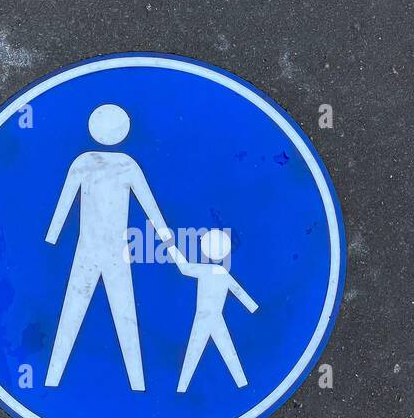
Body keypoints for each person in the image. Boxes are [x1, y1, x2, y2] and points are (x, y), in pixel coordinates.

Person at [44, 104, 171, 391]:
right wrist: (167, 241)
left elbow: (64, 206)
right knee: (120, 313)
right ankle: (137, 385)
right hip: (104, 247)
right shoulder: (126, 165)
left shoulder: (84, 162)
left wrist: (53, 236)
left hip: (96, 247)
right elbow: (151, 208)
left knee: (78, 311)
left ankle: (53, 379)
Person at [168, 229, 258, 393]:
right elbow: (241, 295)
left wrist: (169, 244)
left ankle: (182, 388)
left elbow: (183, 267)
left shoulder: (205, 270)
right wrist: (251, 307)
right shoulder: (222, 272)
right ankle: (241, 383)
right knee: (226, 351)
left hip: (205, 317)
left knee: (194, 353)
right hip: (213, 317)